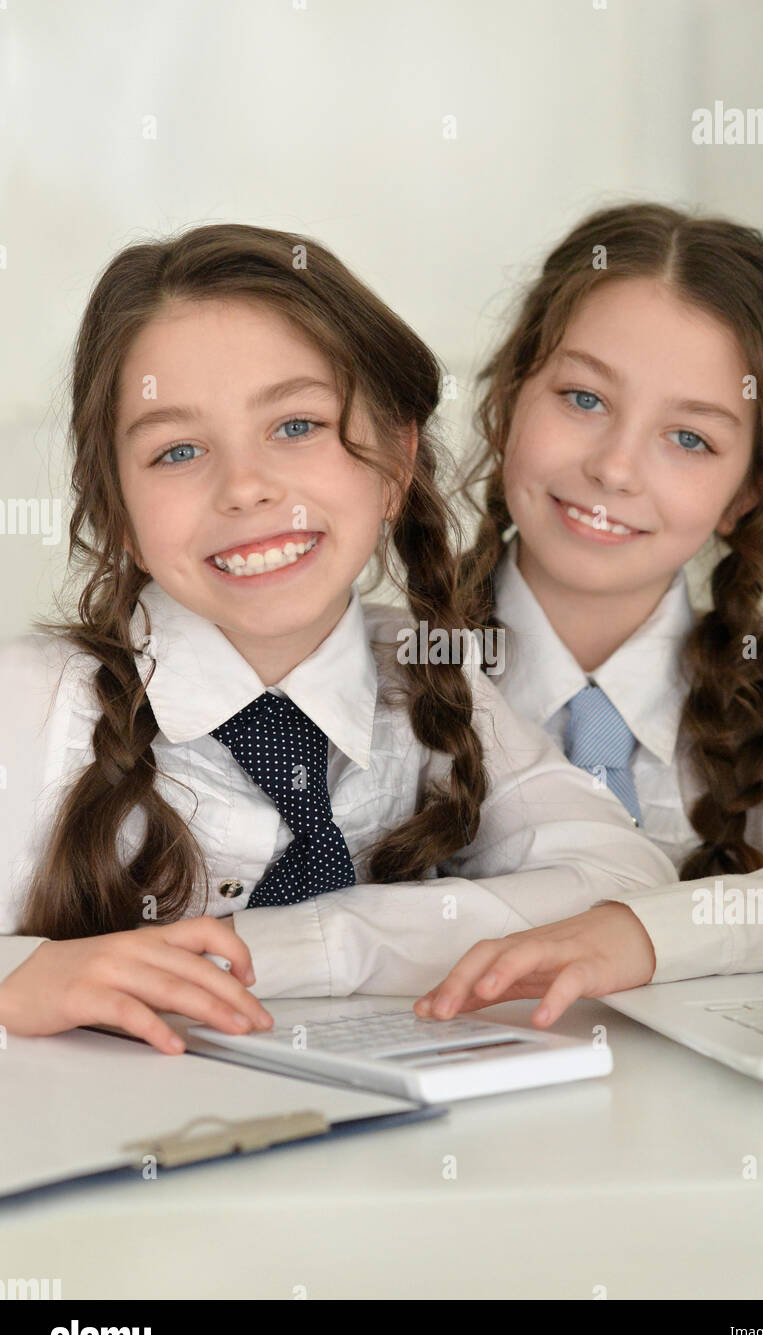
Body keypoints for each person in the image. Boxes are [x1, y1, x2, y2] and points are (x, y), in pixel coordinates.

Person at [0, 221, 677, 1054]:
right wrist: (21, 978)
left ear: (395, 464)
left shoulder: (428, 681)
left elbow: (620, 878)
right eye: (178, 450)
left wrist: (286, 950)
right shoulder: (29, 705)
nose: (245, 487)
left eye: (296, 426)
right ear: (122, 517)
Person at [415, 202, 763, 1027]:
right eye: (582, 397)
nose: (614, 467)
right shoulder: (388, 673)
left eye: (690, 440)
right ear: (506, 404)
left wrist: (645, 932)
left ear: (747, 494)